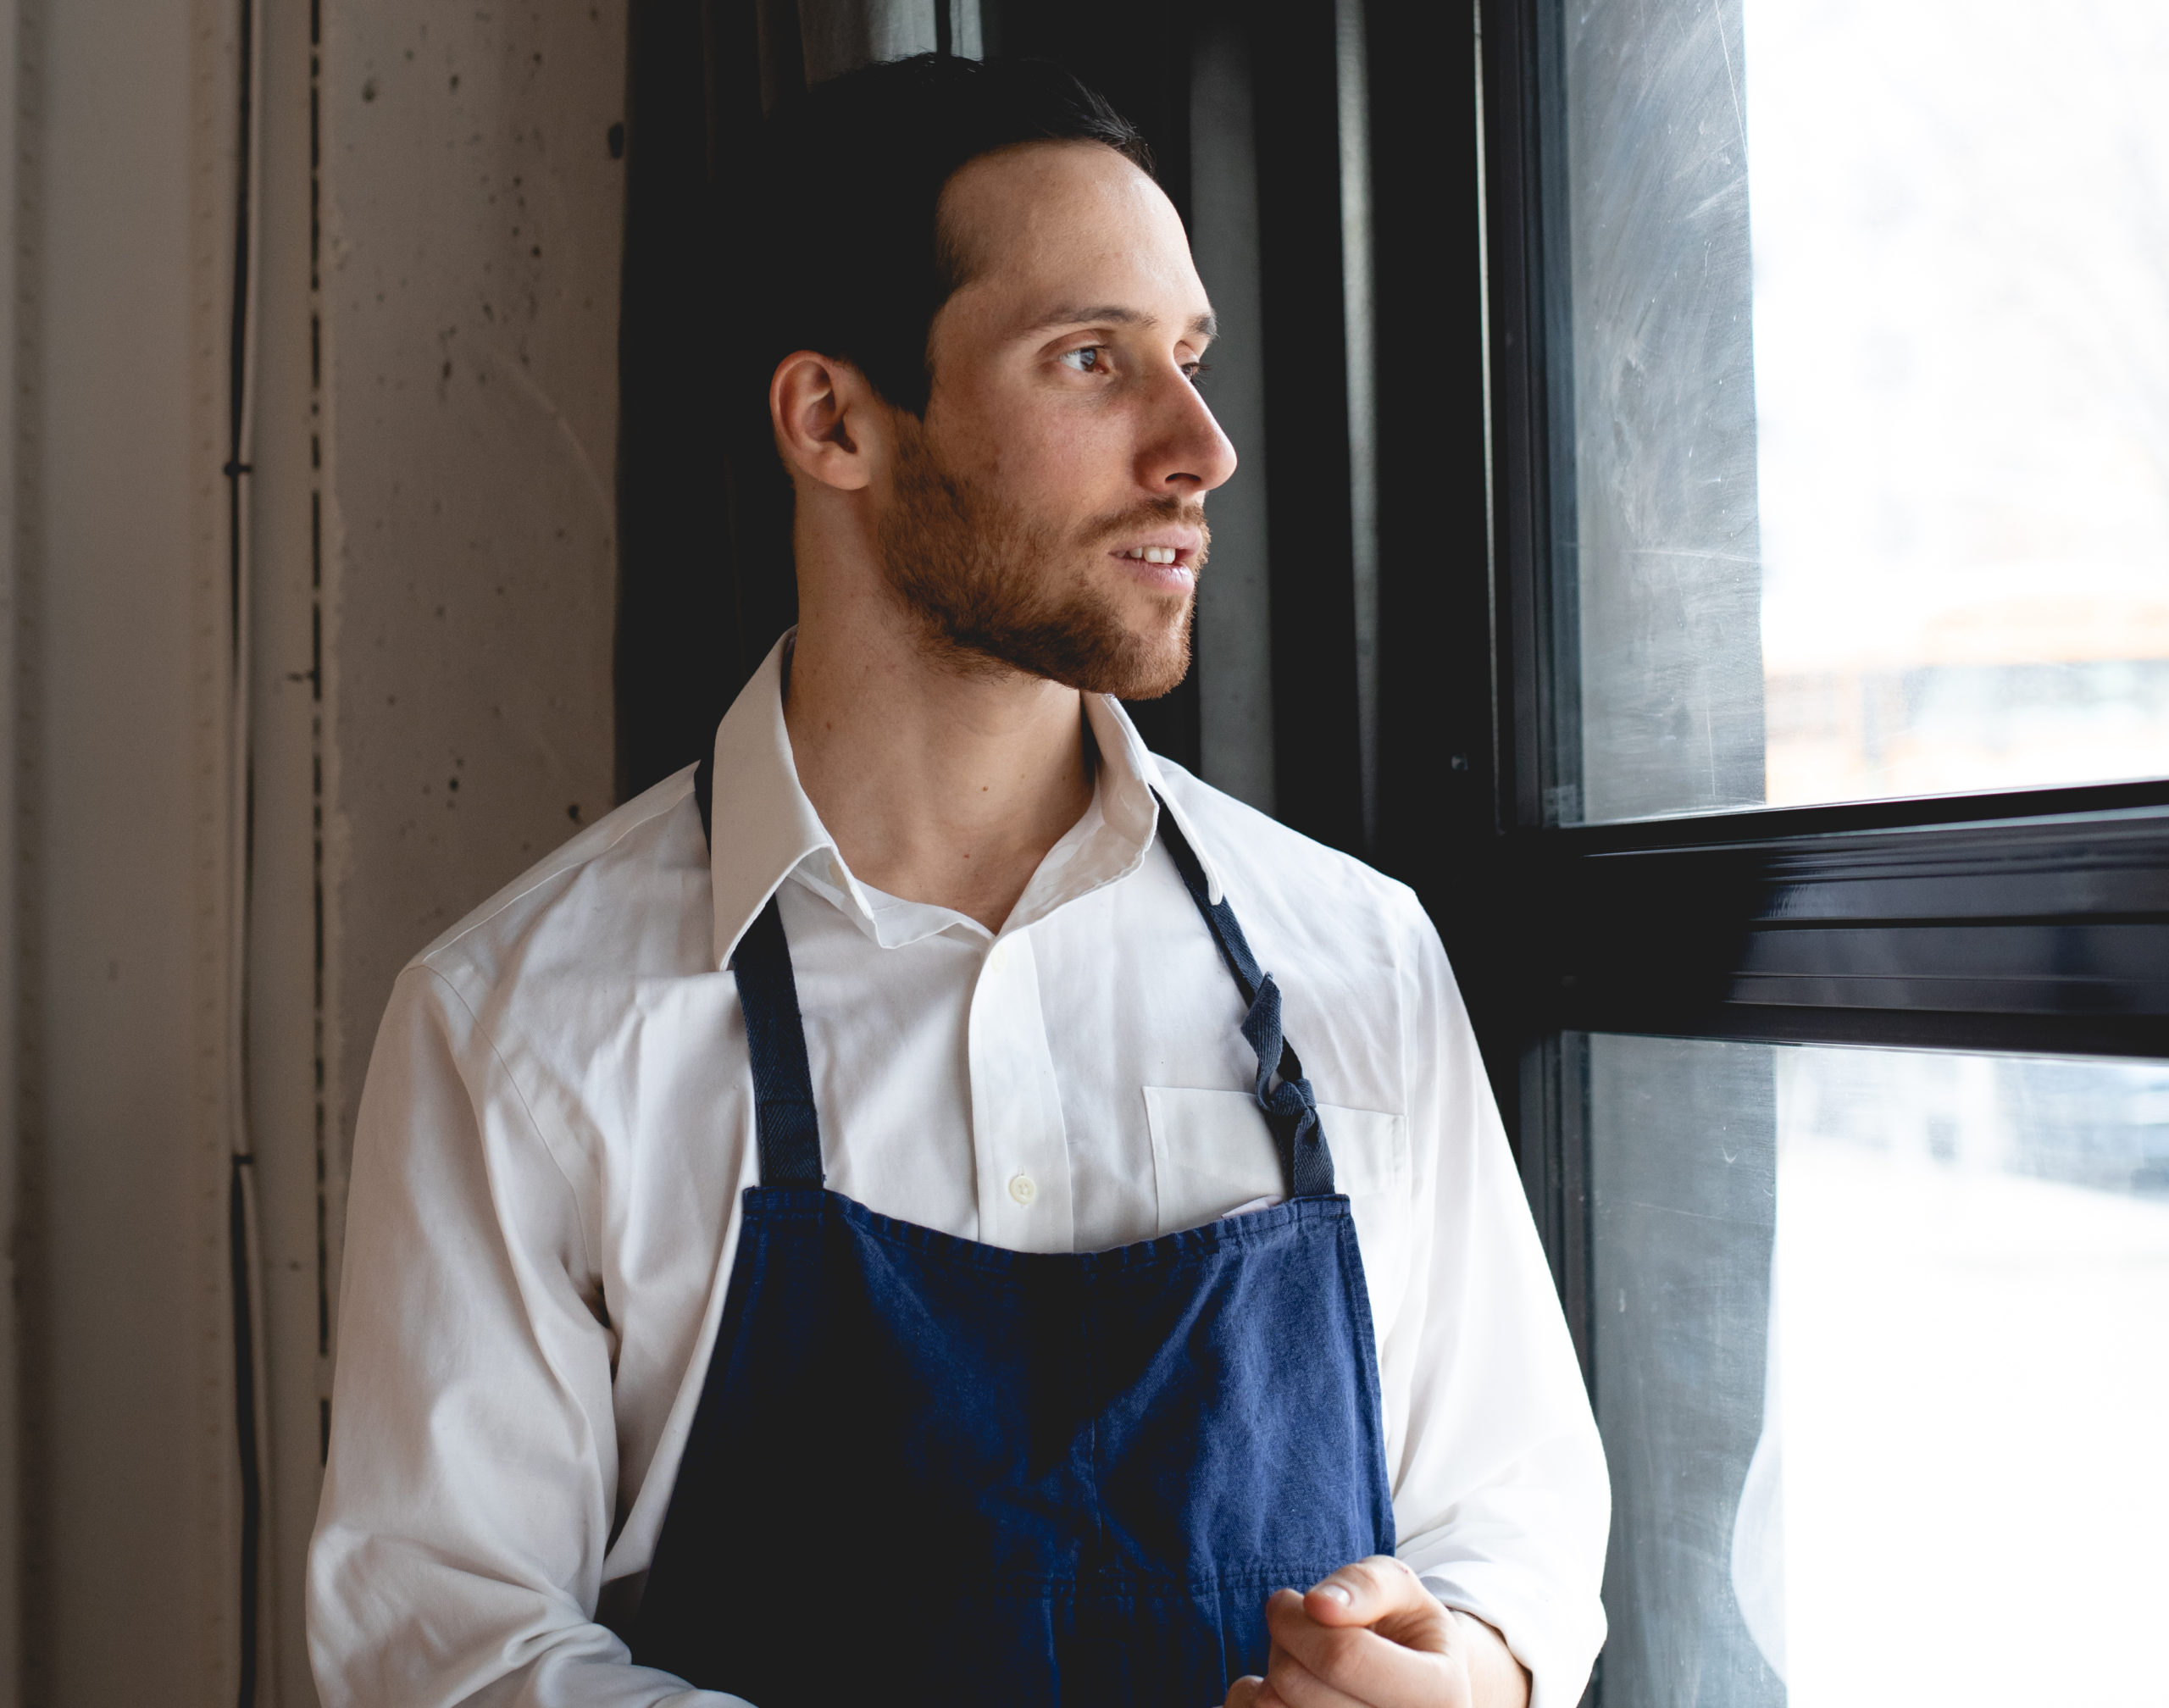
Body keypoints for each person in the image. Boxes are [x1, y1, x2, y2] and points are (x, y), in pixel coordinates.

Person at [307, 53, 1608, 1708]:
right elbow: (448, 1654)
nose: (1198, 449)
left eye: (1189, 361)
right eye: (1089, 359)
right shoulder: (519, 1025)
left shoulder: (1355, 954)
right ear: (833, 421)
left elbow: (1511, 1526)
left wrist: (1465, 1675)